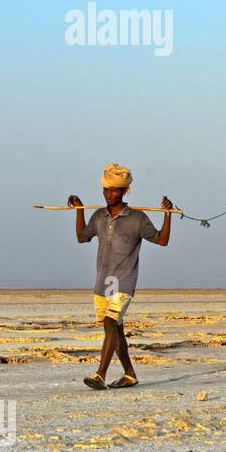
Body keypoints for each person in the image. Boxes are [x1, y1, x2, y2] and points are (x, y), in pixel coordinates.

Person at [69, 164, 172, 390]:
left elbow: (162, 240)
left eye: (114, 190)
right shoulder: (98, 216)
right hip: (103, 282)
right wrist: (79, 209)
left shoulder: (137, 218)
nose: (108, 194)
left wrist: (168, 214)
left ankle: (100, 375)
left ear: (124, 191)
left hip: (124, 281)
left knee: (110, 323)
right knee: (116, 331)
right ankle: (130, 374)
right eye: (106, 189)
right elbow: (81, 237)